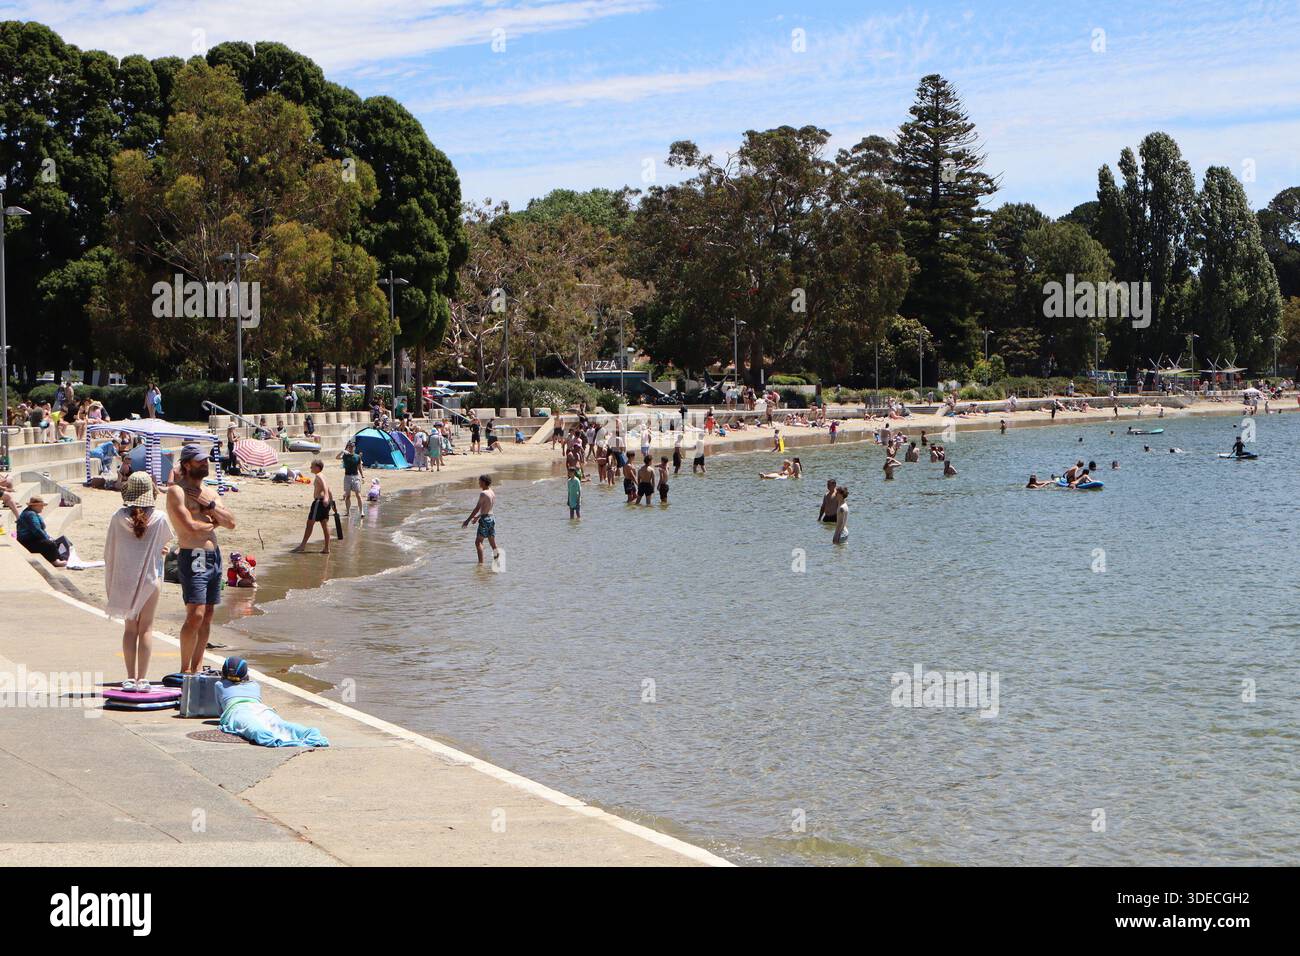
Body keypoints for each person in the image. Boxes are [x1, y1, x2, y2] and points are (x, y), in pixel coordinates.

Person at [166, 444, 236, 675]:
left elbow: (231, 523)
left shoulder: (208, 492)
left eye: (206, 460)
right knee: (195, 614)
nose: (205, 464)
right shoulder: (177, 491)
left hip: (213, 556)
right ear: (187, 465)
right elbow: (190, 527)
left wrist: (211, 505)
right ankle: (185, 669)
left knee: (207, 615)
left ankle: (196, 667)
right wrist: (212, 523)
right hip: (193, 555)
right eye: (199, 461)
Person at [103, 473, 172, 693]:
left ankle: (129, 678)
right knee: (146, 629)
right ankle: (143, 679)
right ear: (150, 493)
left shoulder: (117, 517)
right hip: (150, 578)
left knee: (130, 629)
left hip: (124, 578)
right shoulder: (159, 518)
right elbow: (162, 544)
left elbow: (110, 550)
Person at [16, 495, 72, 567]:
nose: (43, 507)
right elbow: (37, 530)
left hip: (30, 540)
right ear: (35, 506)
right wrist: (47, 538)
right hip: (27, 542)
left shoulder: (30, 512)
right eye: (41, 505)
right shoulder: (30, 514)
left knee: (55, 542)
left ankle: (58, 558)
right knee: (50, 544)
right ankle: (54, 561)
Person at [291, 459, 332, 554]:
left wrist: (325, 497)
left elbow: (325, 487)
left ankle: (302, 546)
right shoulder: (324, 476)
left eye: (312, 466)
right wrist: (331, 502)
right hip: (325, 502)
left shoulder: (318, 476)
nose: (310, 467)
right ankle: (326, 548)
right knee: (324, 525)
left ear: (317, 467)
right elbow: (329, 490)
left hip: (319, 502)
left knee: (310, 524)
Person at [461, 475, 498, 564]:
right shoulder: (492, 492)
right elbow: (487, 508)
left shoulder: (483, 493)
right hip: (492, 518)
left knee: (478, 542)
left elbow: (477, 508)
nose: (479, 483)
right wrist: (478, 517)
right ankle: (497, 561)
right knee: (493, 543)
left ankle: (481, 564)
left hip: (485, 519)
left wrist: (467, 520)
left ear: (484, 482)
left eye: (480, 481)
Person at [337, 440, 365, 515]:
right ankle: (348, 512)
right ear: (348, 448)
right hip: (347, 477)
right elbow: (337, 457)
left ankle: (361, 511)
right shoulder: (345, 456)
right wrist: (343, 451)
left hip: (356, 476)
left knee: (358, 495)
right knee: (348, 495)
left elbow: (360, 467)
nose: (351, 448)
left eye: (352, 447)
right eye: (349, 447)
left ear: (354, 448)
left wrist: (363, 476)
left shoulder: (357, 457)